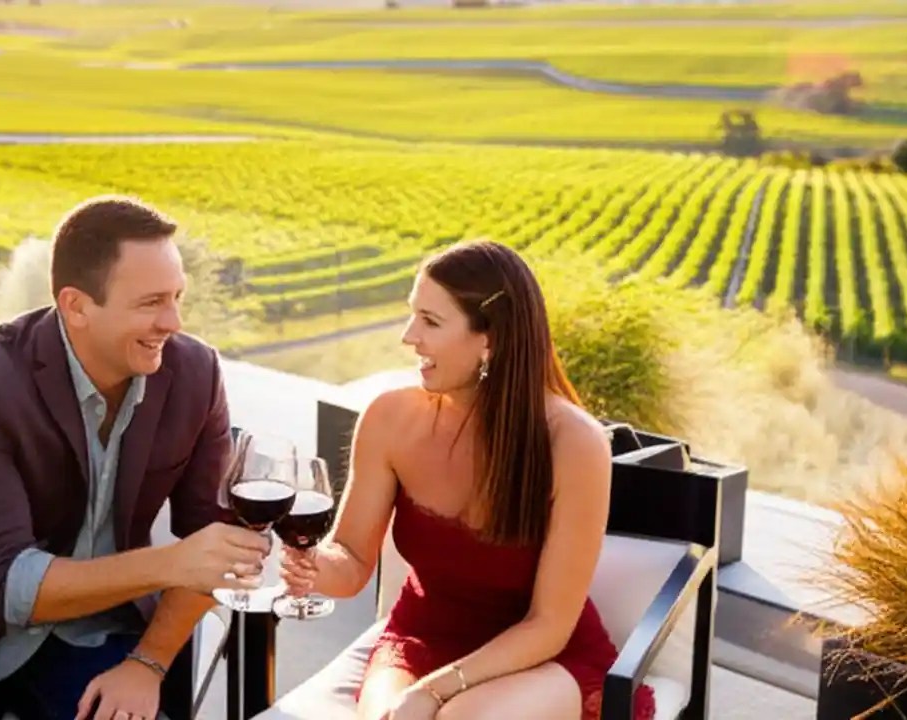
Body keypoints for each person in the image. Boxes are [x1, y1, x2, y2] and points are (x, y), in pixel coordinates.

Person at [0, 195, 270, 720]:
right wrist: (171, 563)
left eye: (177, 297)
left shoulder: (196, 374)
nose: (174, 321)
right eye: (151, 302)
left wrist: (148, 662)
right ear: (75, 306)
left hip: (96, 630)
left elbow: (215, 543)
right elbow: (6, 588)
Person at [280, 240, 656, 720]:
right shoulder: (389, 417)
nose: (408, 336)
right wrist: (311, 564)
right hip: (421, 637)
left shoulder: (572, 442)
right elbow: (351, 561)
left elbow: (549, 625)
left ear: (489, 339)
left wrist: (438, 691)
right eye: (412, 314)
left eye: (431, 322)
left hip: (539, 656)